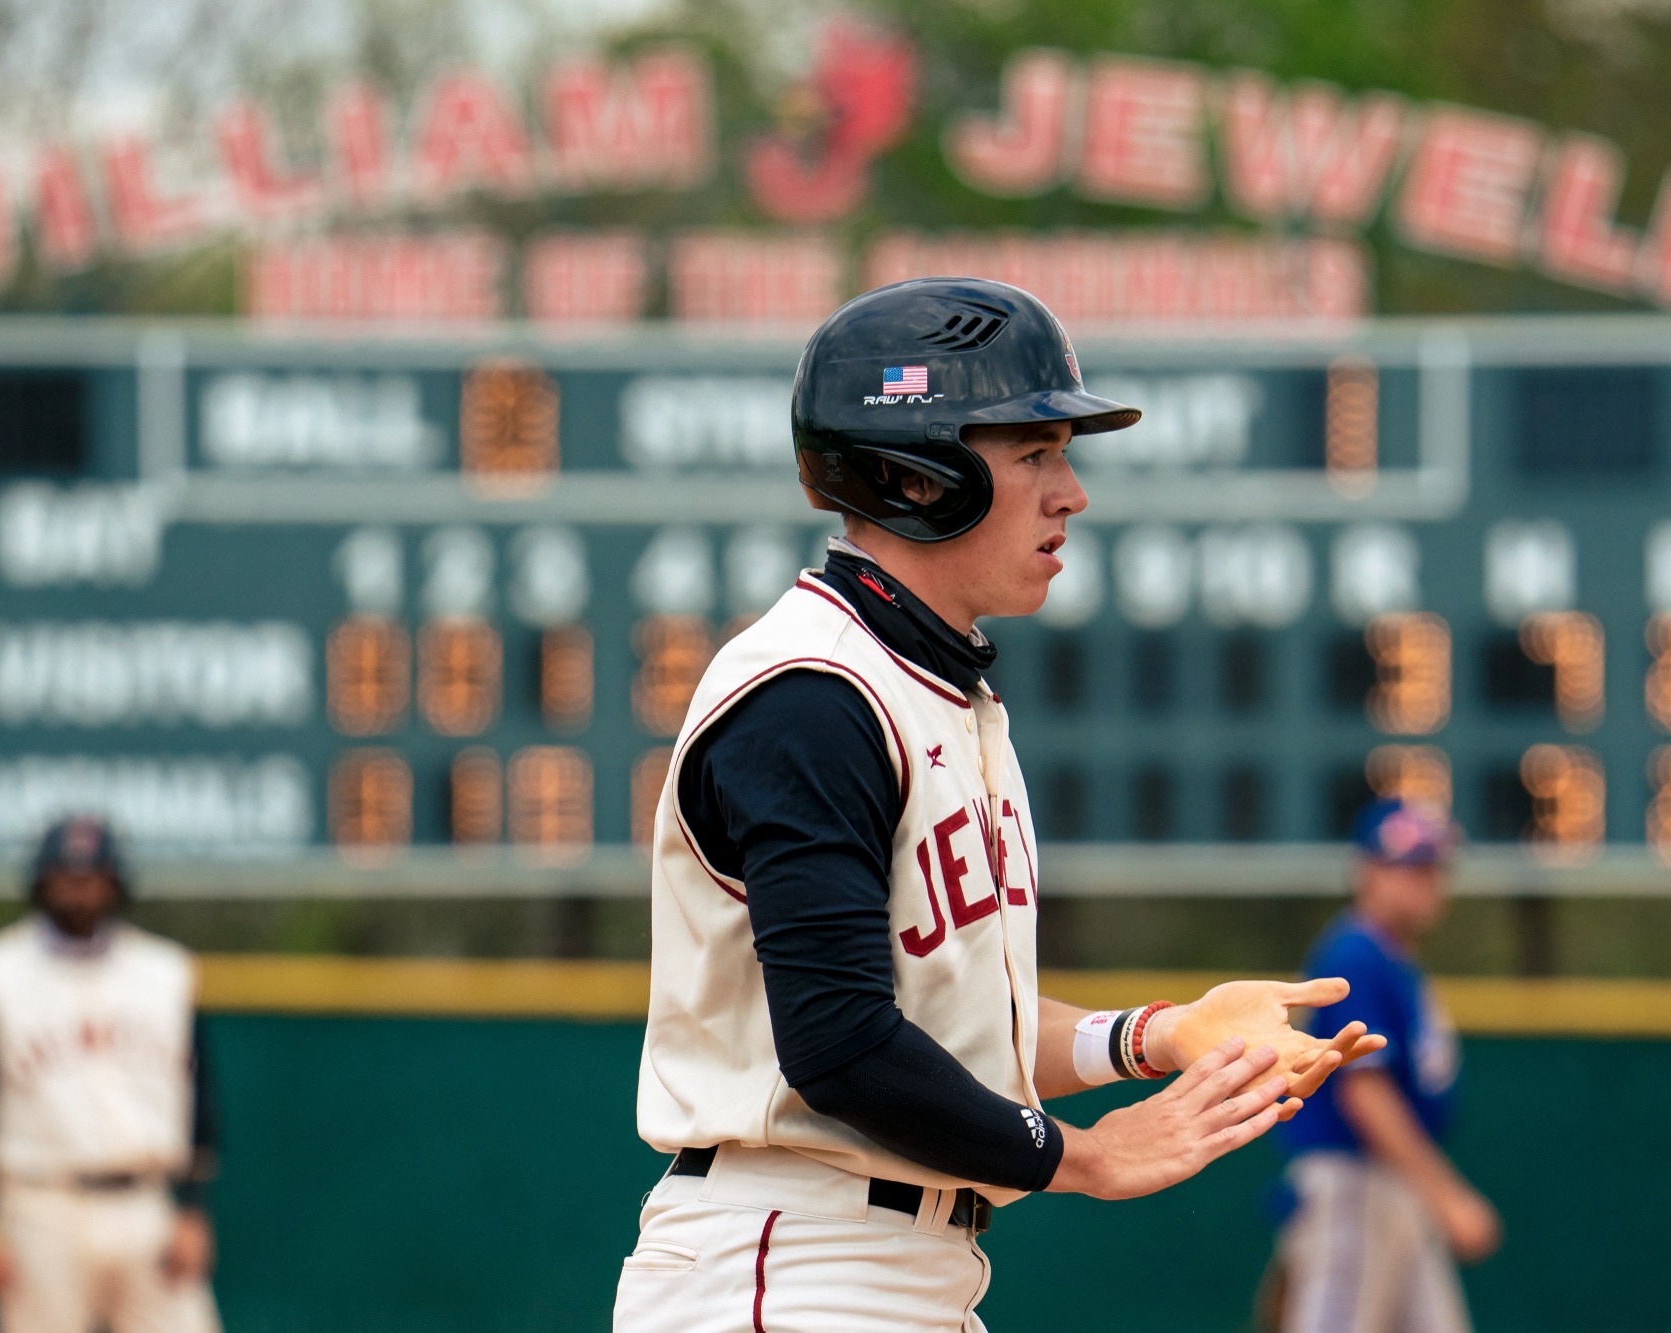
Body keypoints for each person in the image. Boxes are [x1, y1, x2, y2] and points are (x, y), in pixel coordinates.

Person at [614, 276, 1385, 1332]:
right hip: (790, 1259)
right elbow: (842, 1047)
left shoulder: (938, 693)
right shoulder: (812, 693)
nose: (1071, 493)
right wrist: (1091, 1156)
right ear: (914, 476)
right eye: (1034, 453)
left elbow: (959, 1032)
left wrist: (1158, 1035)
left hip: (895, 1266)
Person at [0, 815, 221, 1333]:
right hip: (39, 1208)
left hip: (146, 1206)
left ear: (116, 883)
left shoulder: (166, 972)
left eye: (92, 878)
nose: (80, 892)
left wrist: (192, 1210)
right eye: (66, 878)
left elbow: (198, 1098)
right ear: (41, 883)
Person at [1266, 797, 1502, 1333]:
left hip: (1389, 1185)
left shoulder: (1390, 958)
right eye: (1406, 867)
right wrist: (1447, 1196)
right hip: (1355, 1183)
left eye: (1431, 868)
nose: (1423, 883)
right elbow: (1364, 1092)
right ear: (1366, 871)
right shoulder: (1356, 956)